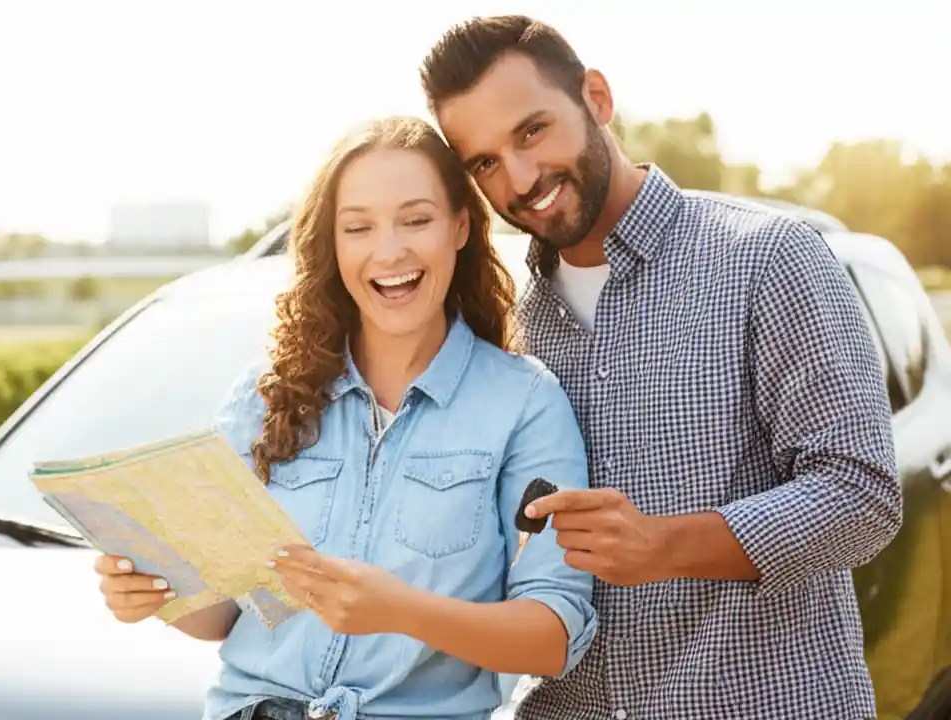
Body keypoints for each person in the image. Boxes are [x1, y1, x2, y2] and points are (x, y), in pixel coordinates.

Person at [419, 15, 904, 720]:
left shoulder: (767, 258)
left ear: (597, 98)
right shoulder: (505, 329)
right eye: (485, 162)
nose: (521, 179)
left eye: (532, 131)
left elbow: (862, 495)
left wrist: (662, 545)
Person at [94, 116, 598, 720]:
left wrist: (402, 611)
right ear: (333, 245)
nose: (390, 251)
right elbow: (224, 615)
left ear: (460, 226)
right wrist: (158, 594)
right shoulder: (264, 397)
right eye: (359, 227)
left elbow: (553, 635)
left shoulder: (526, 404)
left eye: (416, 220)